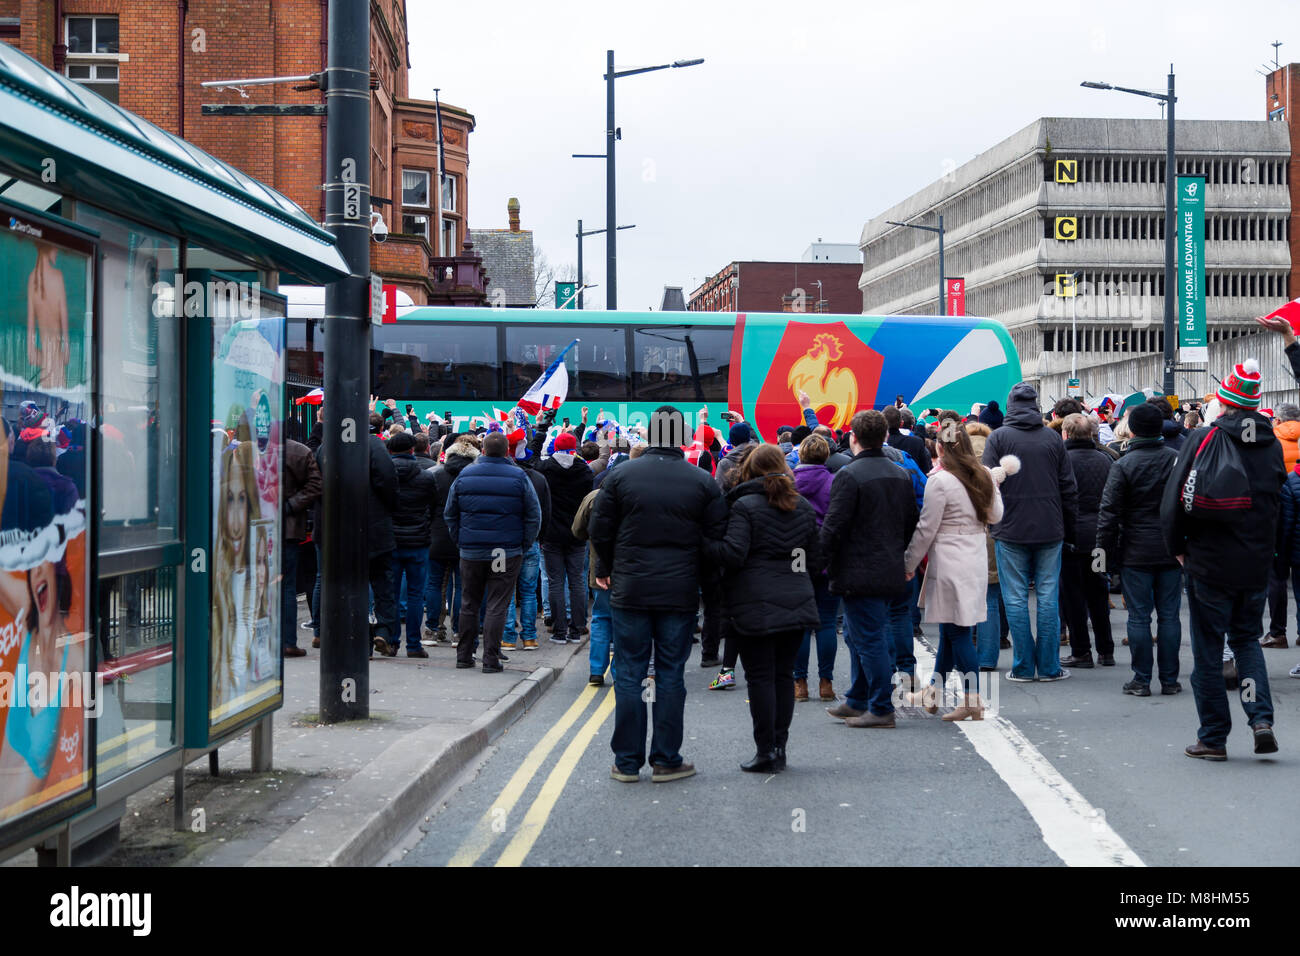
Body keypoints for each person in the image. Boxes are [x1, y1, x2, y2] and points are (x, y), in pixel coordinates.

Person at [590, 406, 726, 782]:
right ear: (681, 437)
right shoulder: (702, 481)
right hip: (679, 591)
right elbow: (716, 539)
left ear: (650, 436)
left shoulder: (620, 476)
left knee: (630, 673)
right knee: (670, 674)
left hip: (630, 587)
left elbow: (600, 527)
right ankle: (666, 759)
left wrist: (605, 567)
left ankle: (627, 762)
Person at [1161, 359, 1280, 760]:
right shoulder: (1273, 445)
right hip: (1255, 562)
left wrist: (1176, 546)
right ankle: (1260, 718)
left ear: (1225, 403)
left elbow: (1174, 499)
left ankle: (1213, 737)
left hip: (1209, 561)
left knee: (1209, 649)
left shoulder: (1203, 438)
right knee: (1246, 639)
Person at [704, 444, 819, 772]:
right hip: (797, 598)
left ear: (750, 471)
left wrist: (706, 544)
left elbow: (734, 554)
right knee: (783, 675)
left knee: (759, 677)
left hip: (753, 603)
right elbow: (815, 557)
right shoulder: (803, 506)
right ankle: (779, 748)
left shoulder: (745, 506)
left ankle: (765, 750)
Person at [819, 409, 918, 728]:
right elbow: (910, 522)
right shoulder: (900, 473)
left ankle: (880, 705)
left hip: (857, 567)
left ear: (853, 438)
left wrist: (819, 559)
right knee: (857, 633)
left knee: (868, 637)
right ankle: (859, 698)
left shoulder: (848, 475)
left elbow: (834, 526)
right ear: (886, 436)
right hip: (887, 563)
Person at [903, 425, 1005, 720]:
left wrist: (909, 563)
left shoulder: (941, 480)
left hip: (947, 558)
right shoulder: (984, 475)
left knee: (958, 632)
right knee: (952, 630)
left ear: (940, 447)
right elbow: (996, 515)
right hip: (974, 554)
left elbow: (926, 528)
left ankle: (972, 698)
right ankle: (934, 691)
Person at [982, 383, 1078, 682]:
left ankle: (1023, 665)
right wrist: (1068, 526)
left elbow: (988, 485)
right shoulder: (1052, 438)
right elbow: (1068, 487)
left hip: (1010, 527)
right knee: (1048, 596)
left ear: (1010, 406)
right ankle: (1049, 666)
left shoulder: (998, 438)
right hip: (1050, 525)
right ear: (1036, 405)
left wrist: (990, 522)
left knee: (1015, 597)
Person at [1096, 402, 1182, 697]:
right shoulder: (1176, 460)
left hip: (1134, 548)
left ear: (1132, 430)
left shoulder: (1123, 464)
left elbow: (1108, 513)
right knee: (1170, 616)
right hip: (1172, 548)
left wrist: (1103, 554)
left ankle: (1141, 678)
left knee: (1139, 616)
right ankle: (1170, 679)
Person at [444, 431, 541, 673]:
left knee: (469, 602)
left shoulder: (465, 474)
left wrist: (461, 540)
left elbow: (450, 513)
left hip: (472, 549)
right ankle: (490, 659)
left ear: (483, 450)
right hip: (505, 551)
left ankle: (464, 656)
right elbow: (533, 515)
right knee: (497, 603)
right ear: (507, 451)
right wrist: (524, 544)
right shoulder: (519, 476)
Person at [1059, 413, 1115, 669]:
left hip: (1072, 536)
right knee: (1098, 593)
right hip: (1100, 535)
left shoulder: (1063, 461)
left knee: (1073, 595)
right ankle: (1106, 649)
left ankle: (1081, 650)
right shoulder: (1105, 460)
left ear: (1066, 434)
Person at [535, 430, 593, 645]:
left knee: (555, 581)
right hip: (577, 534)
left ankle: (559, 630)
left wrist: (540, 431)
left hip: (551, 534)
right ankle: (577, 629)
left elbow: (531, 458)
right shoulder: (585, 471)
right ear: (574, 449)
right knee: (577, 581)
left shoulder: (545, 469)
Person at [793, 434, 838, 701]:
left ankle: (799, 683)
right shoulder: (834, 483)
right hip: (826, 556)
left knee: (800, 623)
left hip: (796, 557)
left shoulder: (788, 484)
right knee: (827, 622)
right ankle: (826, 682)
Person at [388, 431, 439, 658]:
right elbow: (435, 508)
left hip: (390, 540)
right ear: (412, 450)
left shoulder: (384, 475)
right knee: (416, 595)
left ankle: (391, 641)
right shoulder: (426, 477)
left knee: (389, 594)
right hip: (418, 541)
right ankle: (414, 644)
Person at [424, 439, 477, 643]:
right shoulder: (472, 477)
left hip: (436, 536)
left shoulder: (434, 474)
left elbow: (426, 508)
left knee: (434, 584)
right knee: (461, 587)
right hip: (464, 537)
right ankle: (458, 631)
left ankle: (431, 629)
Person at [281, 432, 322, 658]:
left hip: (256, 525)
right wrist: (290, 506)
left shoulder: (248, 450)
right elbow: (316, 485)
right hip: (288, 528)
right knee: (286, 586)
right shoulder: (299, 451)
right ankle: (288, 641)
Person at [1263, 402, 1300, 648]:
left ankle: (1278, 631)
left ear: (1277, 420)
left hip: (1277, 509)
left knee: (1277, 575)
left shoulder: (1271, 442)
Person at [884, 405, 931, 474]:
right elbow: (926, 472)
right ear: (901, 423)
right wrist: (920, 421)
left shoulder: (876, 444)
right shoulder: (916, 442)